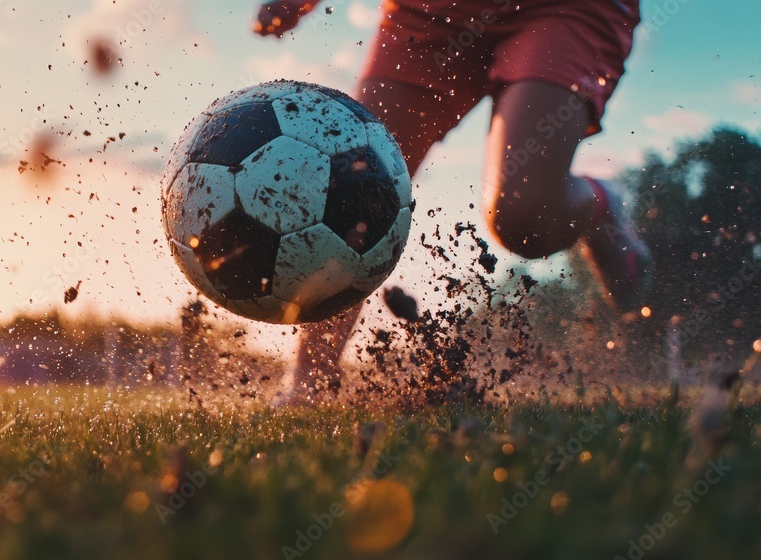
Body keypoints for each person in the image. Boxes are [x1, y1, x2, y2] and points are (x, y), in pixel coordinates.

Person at [254, 0, 652, 404]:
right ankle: (312, 377)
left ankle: (600, 204)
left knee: (523, 216)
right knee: (355, 188)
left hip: (560, 9)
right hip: (432, 11)